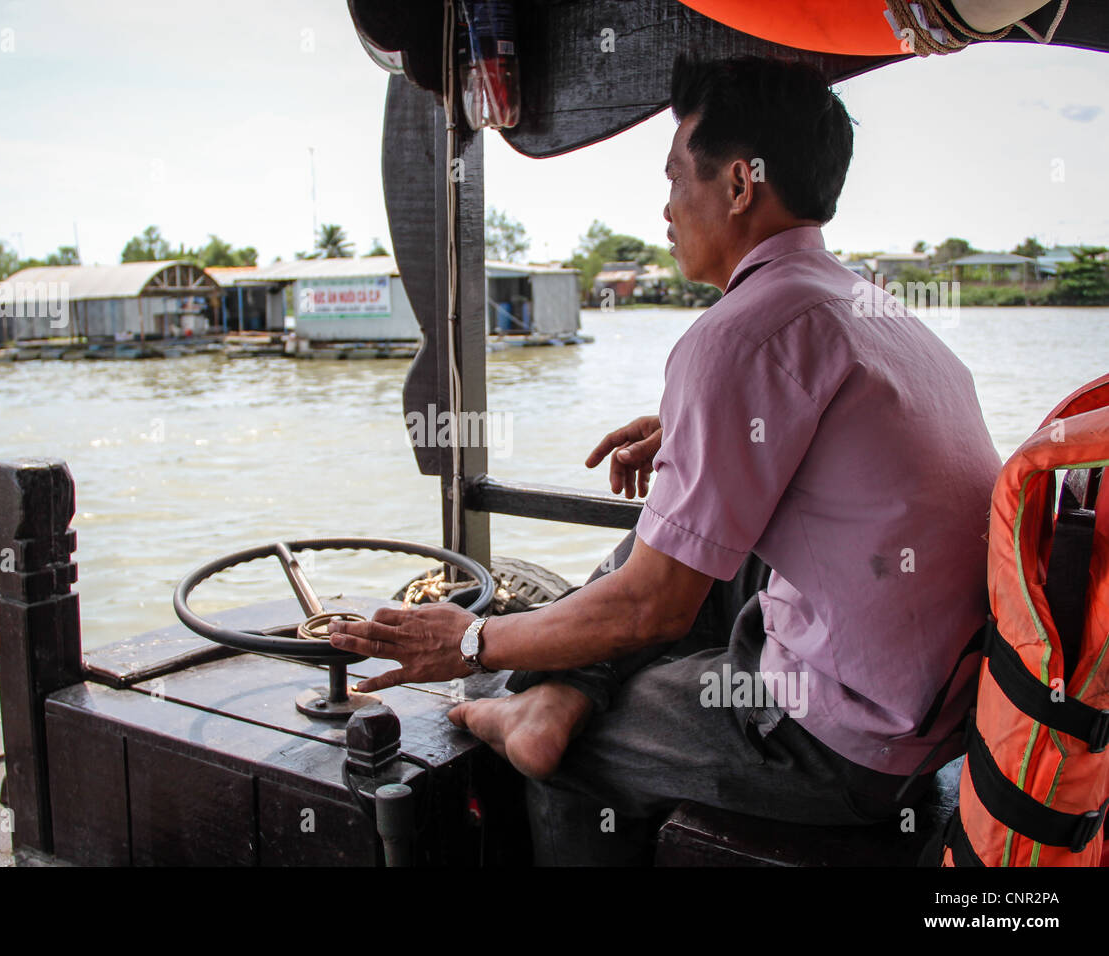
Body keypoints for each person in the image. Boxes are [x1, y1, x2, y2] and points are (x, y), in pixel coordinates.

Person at [328, 54, 1001, 865]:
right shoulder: (869, 308)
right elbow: (844, 457)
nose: (666, 207)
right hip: (940, 698)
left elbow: (654, 609)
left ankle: (553, 716)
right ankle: (561, 692)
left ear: (740, 185)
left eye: (678, 176)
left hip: (848, 741)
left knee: (591, 713)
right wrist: (698, 432)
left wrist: (471, 642)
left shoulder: (740, 336)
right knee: (667, 545)